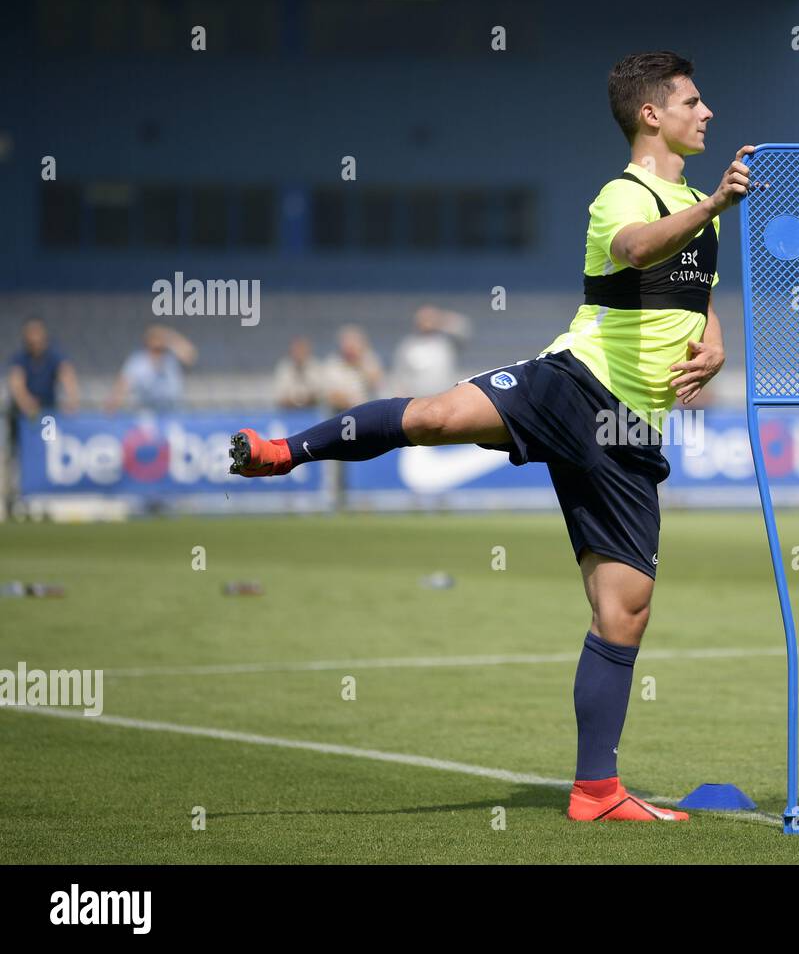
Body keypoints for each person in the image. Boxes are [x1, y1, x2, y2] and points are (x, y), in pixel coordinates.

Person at [229, 51, 745, 823]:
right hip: (573, 385)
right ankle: (286, 451)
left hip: (631, 429)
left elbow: (692, 292)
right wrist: (712, 207)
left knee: (624, 611)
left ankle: (596, 793)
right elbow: (638, 250)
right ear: (652, 115)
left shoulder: (694, 210)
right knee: (436, 416)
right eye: (693, 102)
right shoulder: (623, 195)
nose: (707, 113)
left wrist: (717, 343)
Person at [106, 325, 196, 412]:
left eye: (162, 342)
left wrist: (170, 337)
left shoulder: (171, 358)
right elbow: (123, 384)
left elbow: (190, 355)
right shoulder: (137, 362)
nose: (158, 352)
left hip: (172, 410)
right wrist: (114, 403)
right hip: (147, 411)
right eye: (155, 341)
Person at [7, 318, 80, 421]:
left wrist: (72, 399)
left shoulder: (53, 356)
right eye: (31, 333)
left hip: (48, 409)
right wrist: (27, 403)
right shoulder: (20, 358)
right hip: (23, 413)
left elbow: (66, 374)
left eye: (37, 333)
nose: (34, 338)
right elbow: (16, 384)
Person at [390, 306, 471, 397]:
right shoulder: (408, 345)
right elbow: (400, 373)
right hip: (418, 398)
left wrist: (442, 318)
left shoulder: (446, 342)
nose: (426, 322)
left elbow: (464, 328)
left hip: (444, 396)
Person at [317, 325, 384, 412]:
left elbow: (378, 383)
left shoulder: (369, 359)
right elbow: (331, 396)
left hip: (369, 413)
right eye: (347, 345)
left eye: (354, 345)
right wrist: (353, 402)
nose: (350, 349)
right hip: (341, 415)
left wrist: (360, 364)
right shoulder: (332, 365)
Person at [272, 336, 325, 409]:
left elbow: (319, 394)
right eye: (296, 350)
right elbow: (280, 396)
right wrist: (297, 402)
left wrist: (305, 400)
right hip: (289, 411)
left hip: (312, 410)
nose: (299, 353)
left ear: (308, 351)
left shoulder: (316, 366)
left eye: (302, 350)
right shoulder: (284, 368)